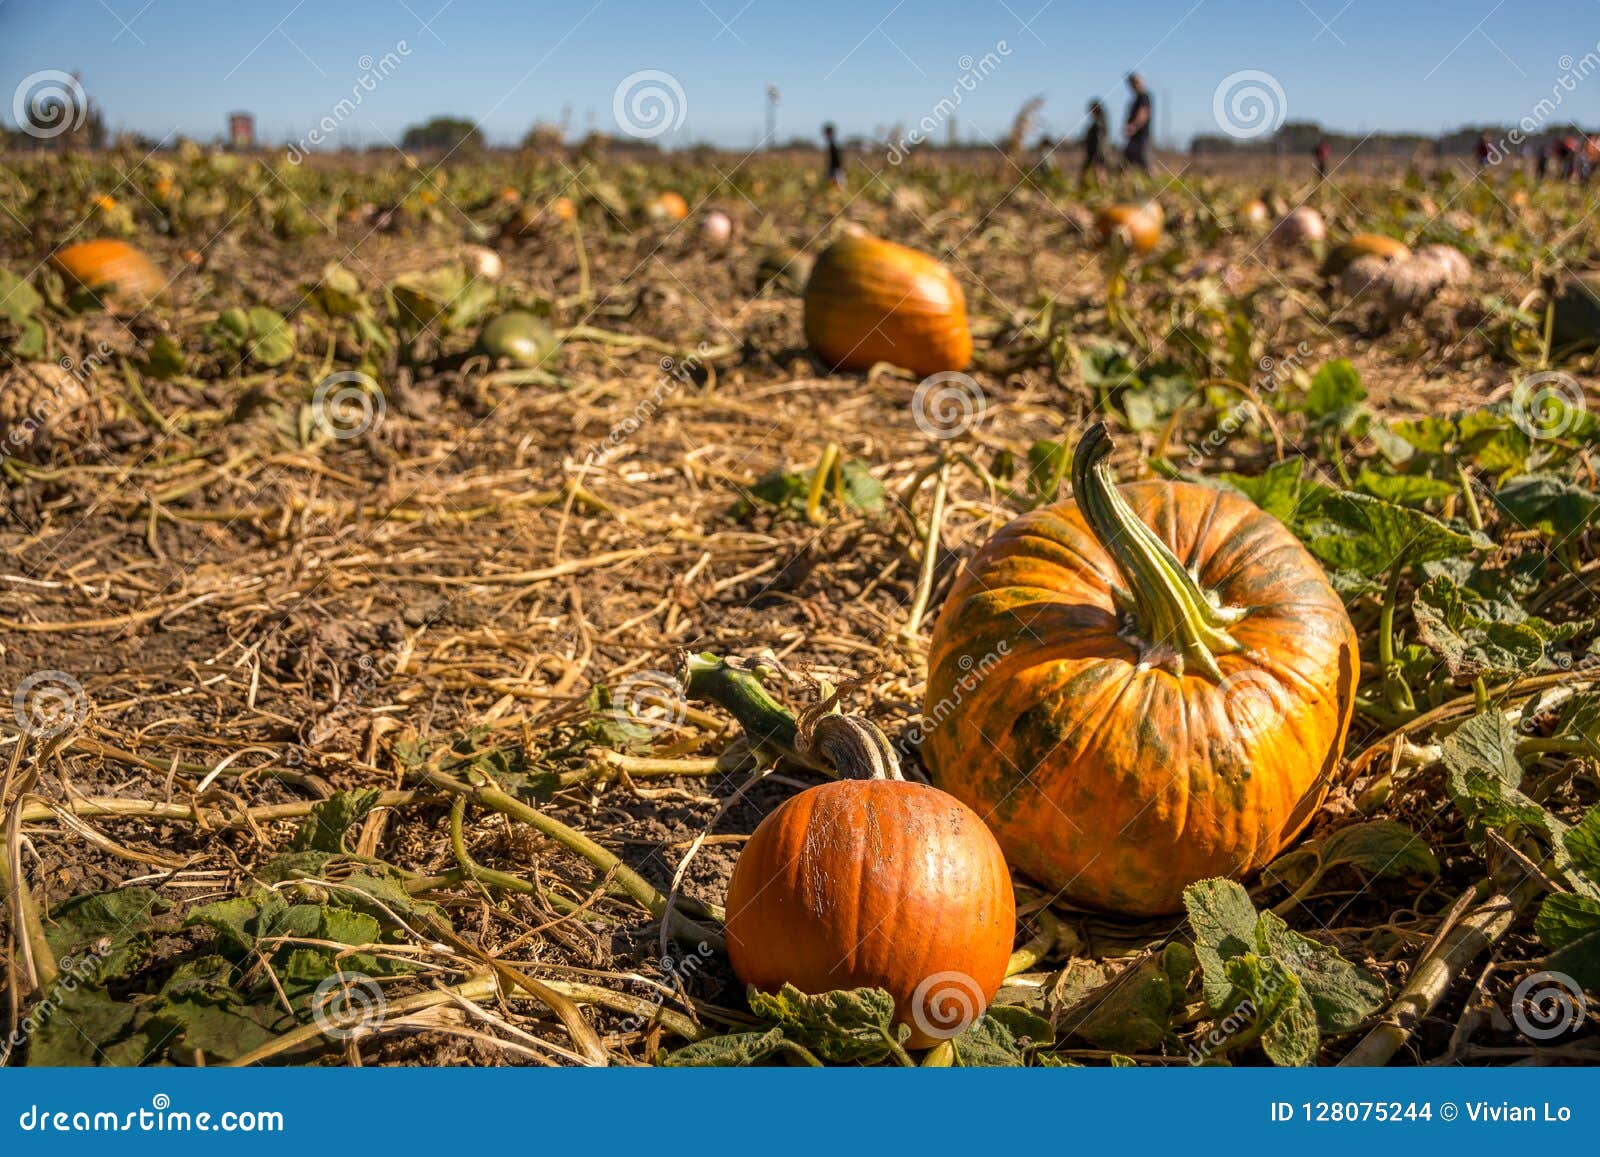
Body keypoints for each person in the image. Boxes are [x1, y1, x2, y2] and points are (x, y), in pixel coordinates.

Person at [1121, 74, 1152, 173]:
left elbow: (1143, 114)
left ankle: (1157, 185)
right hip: (1133, 139)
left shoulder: (1144, 97)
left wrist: (1133, 126)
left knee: (1146, 166)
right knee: (1125, 164)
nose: (1132, 86)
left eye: (1134, 83)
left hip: (1141, 138)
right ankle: (1124, 186)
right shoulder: (1136, 99)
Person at [1082, 99, 1108, 187]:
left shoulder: (1099, 123)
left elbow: (1099, 139)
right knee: (1098, 170)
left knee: (1098, 170)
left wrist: (1097, 153)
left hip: (1097, 152)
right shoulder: (1100, 121)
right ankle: (1102, 189)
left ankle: (1102, 189)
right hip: (1095, 151)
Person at [822, 122, 844, 188]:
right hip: (833, 169)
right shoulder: (832, 144)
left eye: (827, 133)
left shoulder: (833, 145)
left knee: (838, 186)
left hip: (835, 169)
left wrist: (839, 168)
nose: (825, 135)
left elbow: (838, 158)